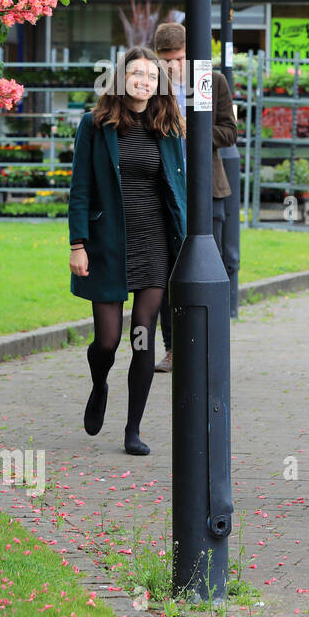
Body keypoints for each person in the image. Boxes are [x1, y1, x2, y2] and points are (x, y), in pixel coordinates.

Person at [68, 47, 187, 456]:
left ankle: (132, 429)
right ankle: (99, 383)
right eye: (137, 74)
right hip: (107, 247)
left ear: (159, 84)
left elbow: (179, 191)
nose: (145, 81)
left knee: (141, 336)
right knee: (107, 340)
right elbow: (80, 187)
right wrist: (78, 244)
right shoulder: (95, 124)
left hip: (154, 245)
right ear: (121, 79)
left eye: (152, 76)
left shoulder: (169, 125)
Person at [151, 21, 238, 373]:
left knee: (212, 268)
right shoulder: (150, 84)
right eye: (167, 59)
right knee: (167, 273)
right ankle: (173, 348)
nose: (174, 66)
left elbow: (229, 132)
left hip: (206, 189)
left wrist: (194, 133)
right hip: (164, 190)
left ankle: (209, 345)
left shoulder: (212, 82)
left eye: (181, 58)